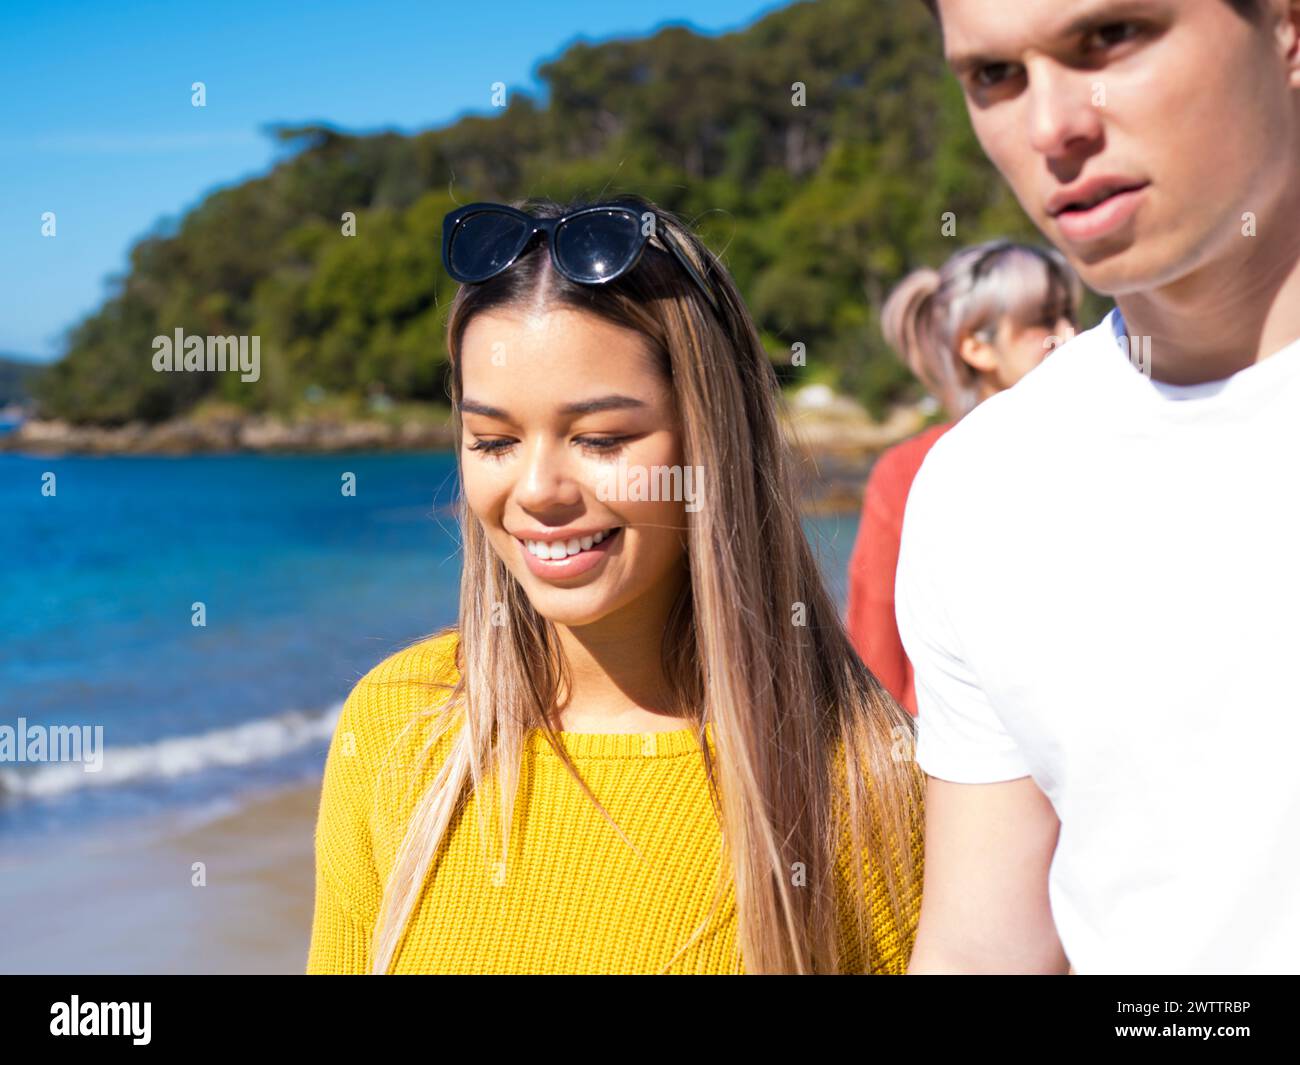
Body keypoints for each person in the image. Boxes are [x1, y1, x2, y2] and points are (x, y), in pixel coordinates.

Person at [306, 194, 925, 974]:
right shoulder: (396, 727)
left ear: (710, 442)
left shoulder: (867, 780)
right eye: (492, 440)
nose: (537, 489)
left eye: (600, 439)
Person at [901, 0, 1300, 974]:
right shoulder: (979, 487)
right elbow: (981, 951)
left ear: (1284, 26)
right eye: (996, 76)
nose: (1051, 128)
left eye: (1109, 38)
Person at [845, 241, 1080, 714]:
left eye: (1070, 315)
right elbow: (875, 658)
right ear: (976, 346)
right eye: (1044, 320)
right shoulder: (907, 473)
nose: (1071, 334)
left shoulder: (1099, 447)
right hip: (942, 763)